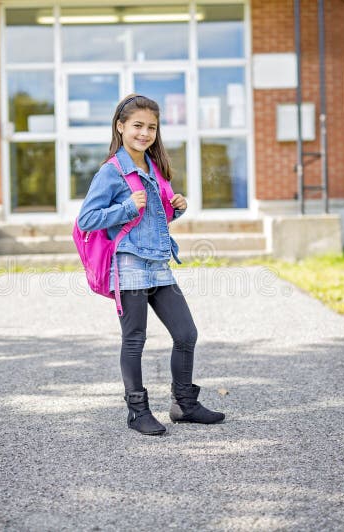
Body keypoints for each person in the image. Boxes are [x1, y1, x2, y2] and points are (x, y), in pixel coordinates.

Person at [77, 94, 225, 436]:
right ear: (120, 127)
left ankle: (184, 404)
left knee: (186, 333)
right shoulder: (111, 172)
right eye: (137, 126)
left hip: (158, 263)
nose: (145, 133)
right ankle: (136, 412)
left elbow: (155, 219)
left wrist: (177, 206)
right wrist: (126, 207)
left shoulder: (154, 168)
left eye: (151, 127)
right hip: (128, 264)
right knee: (135, 339)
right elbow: (87, 219)